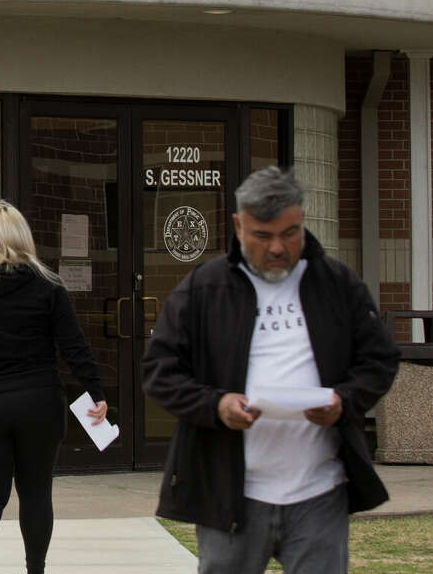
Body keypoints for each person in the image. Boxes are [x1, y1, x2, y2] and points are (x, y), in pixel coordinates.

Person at [142, 166, 400, 574]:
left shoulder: (336, 283)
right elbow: (159, 369)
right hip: (230, 495)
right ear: (238, 225)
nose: (278, 247)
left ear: (302, 220)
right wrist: (216, 405)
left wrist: (344, 401)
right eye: (263, 236)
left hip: (320, 492)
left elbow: (379, 359)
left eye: (290, 232)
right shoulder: (205, 288)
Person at [0, 200, 110, 574]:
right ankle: (35, 569)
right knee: (35, 491)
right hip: (38, 401)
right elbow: (74, 345)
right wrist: (95, 392)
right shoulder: (48, 286)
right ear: (24, 238)